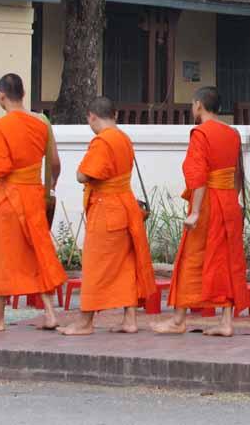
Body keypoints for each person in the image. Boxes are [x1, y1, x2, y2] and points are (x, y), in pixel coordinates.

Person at [154, 86, 248, 337]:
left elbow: (198, 176)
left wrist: (194, 211)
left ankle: (178, 320)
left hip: (207, 203)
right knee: (226, 260)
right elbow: (238, 172)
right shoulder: (232, 133)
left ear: (198, 105)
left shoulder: (200, 133)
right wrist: (233, 200)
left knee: (191, 258)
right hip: (228, 200)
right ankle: (226, 322)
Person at [59, 97, 157, 336]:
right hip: (125, 206)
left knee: (96, 265)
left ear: (92, 116)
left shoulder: (103, 141)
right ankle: (130, 319)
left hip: (107, 209)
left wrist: (80, 172)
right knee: (125, 264)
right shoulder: (124, 138)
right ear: (115, 114)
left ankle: (85, 322)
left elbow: (84, 175)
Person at [0, 73, 66, 331]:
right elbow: (55, 163)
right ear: (22, 94)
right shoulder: (40, 124)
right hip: (34, 195)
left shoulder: (1, 126)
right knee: (37, 253)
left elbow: (0, 168)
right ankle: (49, 313)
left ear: (2, 96)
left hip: (9, 199)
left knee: (1, 257)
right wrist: (52, 186)